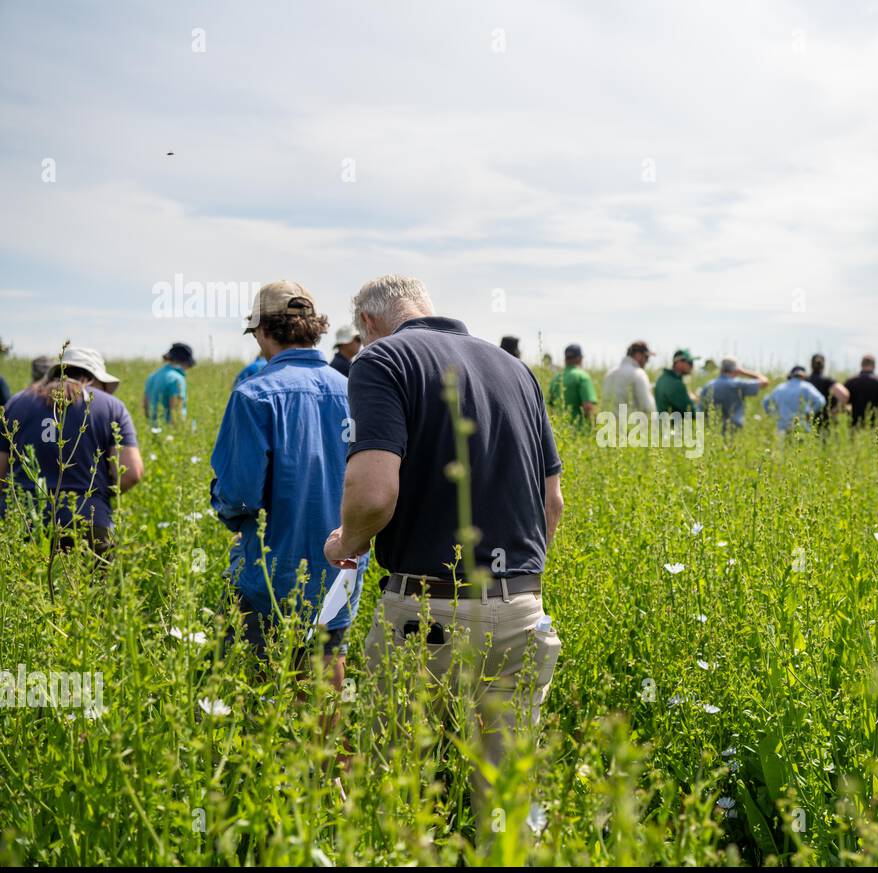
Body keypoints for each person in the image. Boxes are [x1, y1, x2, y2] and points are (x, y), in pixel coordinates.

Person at [324, 273, 563, 836]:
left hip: (426, 615)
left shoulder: (381, 361)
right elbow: (553, 503)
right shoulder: (515, 369)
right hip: (522, 612)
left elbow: (375, 492)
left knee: (399, 790)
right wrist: (511, 590)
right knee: (507, 809)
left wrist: (347, 542)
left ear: (368, 324)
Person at [210, 281, 365, 685]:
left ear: (262, 331)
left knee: (254, 685)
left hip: (268, 573)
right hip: (339, 573)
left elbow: (238, 496)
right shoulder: (355, 392)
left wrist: (221, 503)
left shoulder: (254, 395)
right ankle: (329, 748)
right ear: (315, 328)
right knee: (326, 678)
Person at [0, 347, 143, 554]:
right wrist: (100, 494)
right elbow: (131, 473)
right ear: (95, 379)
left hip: (21, 520)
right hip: (88, 523)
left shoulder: (18, 403)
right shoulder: (112, 407)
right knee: (90, 584)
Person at [697, 356, 768, 433]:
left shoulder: (708, 385)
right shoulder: (738, 384)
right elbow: (765, 382)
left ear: (721, 369)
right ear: (736, 369)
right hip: (734, 429)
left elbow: (701, 409)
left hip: (712, 430)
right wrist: (743, 372)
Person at [761, 366, 826, 433]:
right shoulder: (806, 387)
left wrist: (774, 414)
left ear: (791, 375)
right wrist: (809, 413)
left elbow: (765, 402)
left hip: (782, 428)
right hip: (801, 427)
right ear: (803, 376)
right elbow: (821, 401)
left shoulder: (780, 388)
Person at [143, 342, 195, 425]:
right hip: (170, 431)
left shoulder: (152, 376)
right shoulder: (177, 379)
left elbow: (145, 405)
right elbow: (176, 411)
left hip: (152, 428)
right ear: (186, 362)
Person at [603, 340, 657, 416]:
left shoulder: (609, 374)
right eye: (646, 357)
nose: (647, 361)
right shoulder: (639, 374)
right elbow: (647, 407)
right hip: (630, 426)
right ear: (638, 355)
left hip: (608, 425)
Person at [548, 343, 597, 425]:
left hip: (559, 431)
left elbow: (550, 407)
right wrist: (594, 427)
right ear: (580, 358)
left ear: (565, 359)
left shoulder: (556, 378)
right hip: (579, 433)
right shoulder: (582, 377)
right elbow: (588, 407)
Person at [843, 355, 878, 428]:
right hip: (874, 424)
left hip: (855, 422)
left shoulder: (850, 381)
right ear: (874, 366)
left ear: (861, 365)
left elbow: (843, 403)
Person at [654, 349, 700, 415]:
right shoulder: (676, 384)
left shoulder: (662, 378)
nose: (692, 366)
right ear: (679, 363)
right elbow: (692, 412)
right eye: (690, 363)